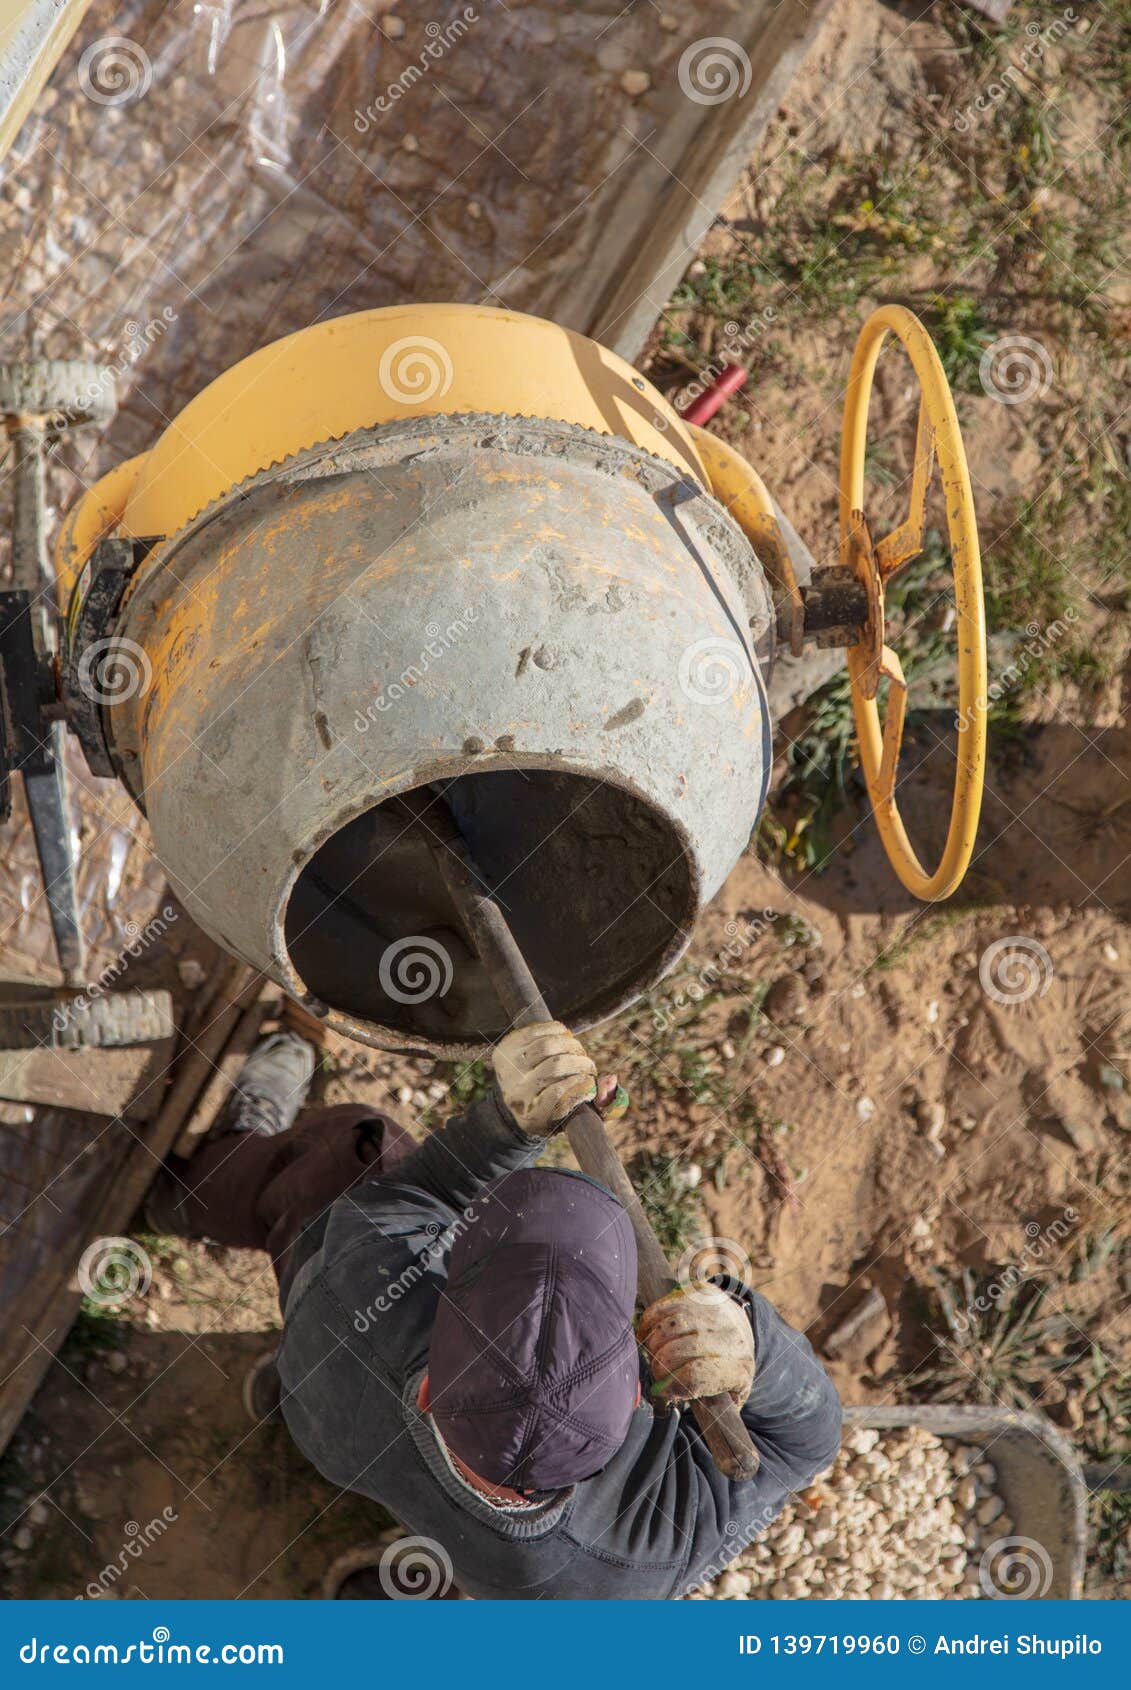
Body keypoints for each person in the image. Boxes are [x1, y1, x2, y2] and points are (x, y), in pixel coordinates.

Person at [147, 1008, 841, 1600]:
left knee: (358, 1150)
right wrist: (753, 1347)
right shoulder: (636, 1565)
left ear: (424, 1393)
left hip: (326, 1412)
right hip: (504, 1572)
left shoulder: (360, 1288)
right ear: (634, 1396)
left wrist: (504, 1127)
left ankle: (181, 1195)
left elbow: (414, 1197)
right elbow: (806, 1443)